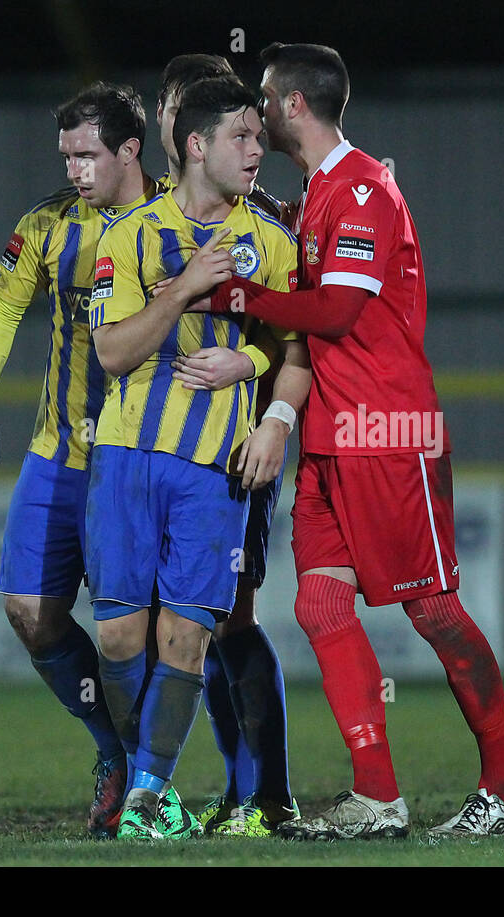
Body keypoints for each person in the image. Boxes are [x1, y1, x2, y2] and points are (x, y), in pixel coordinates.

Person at [206, 41, 504, 838]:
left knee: (434, 611)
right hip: (329, 440)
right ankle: (378, 797)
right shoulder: (318, 193)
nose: (256, 112)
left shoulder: (365, 189)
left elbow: (337, 315)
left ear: (294, 105)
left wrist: (236, 291)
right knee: (319, 604)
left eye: (264, 98)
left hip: (387, 433)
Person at [86, 75, 303, 840]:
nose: (259, 148)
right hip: (124, 456)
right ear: (196, 146)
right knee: (118, 636)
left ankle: (150, 794)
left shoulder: (273, 241)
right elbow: (112, 352)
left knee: (190, 633)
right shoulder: (129, 234)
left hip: (216, 466)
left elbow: (301, 349)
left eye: (259, 135)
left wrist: (266, 402)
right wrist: (182, 291)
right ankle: (143, 768)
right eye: (243, 136)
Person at [0, 81, 161, 838]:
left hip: (142, 457)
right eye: (66, 155)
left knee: (141, 631)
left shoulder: (175, 219)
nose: (74, 170)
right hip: (56, 452)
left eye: (87, 156)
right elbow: (3, 309)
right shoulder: (47, 225)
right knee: (31, 613)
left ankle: (192, 785)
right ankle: (116, 754)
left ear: (130, 150)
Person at [152, 53, 305, 838]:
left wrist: (265, 405)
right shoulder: (152, 216)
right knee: (185, 621)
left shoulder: (264, 222)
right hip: (155, 457)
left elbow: (299, 344)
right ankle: (233, 790)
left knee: (229, 617)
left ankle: (268, 795)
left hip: (234, 453)